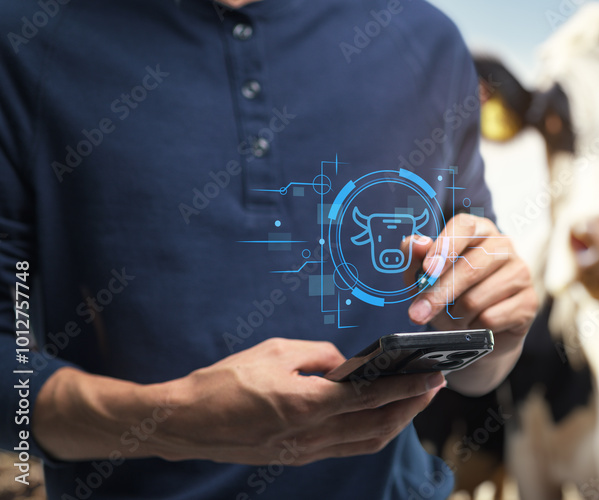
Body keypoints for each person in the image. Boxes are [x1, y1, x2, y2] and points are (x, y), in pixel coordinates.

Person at [0, 0, 538, 498]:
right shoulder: (24, 36)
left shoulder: (429, 41)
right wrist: (168, 422)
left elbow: (475, 362)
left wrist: (500, 332)